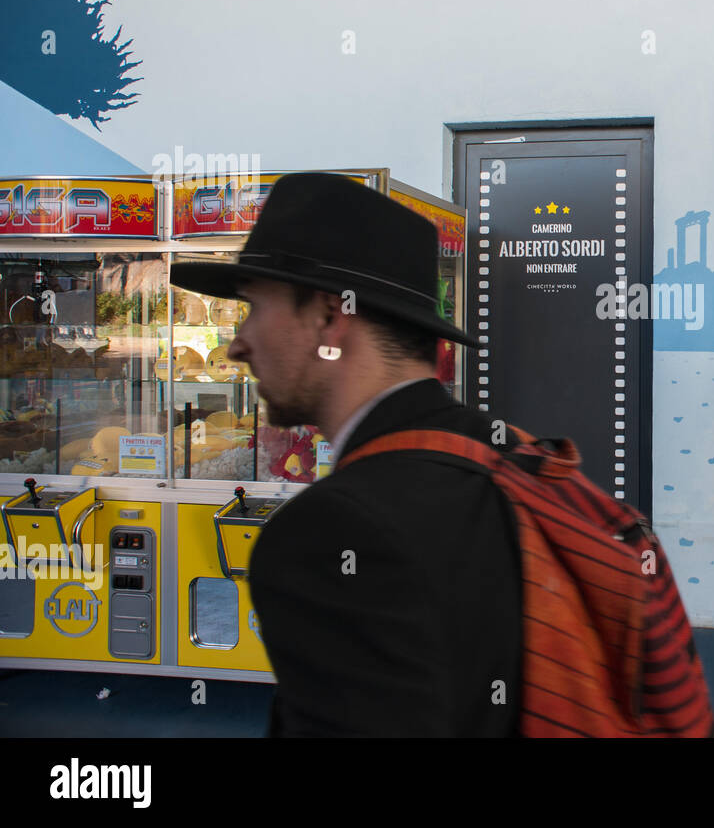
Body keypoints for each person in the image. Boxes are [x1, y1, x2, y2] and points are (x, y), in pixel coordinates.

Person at [170, 172, 522, 736]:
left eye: (254, 307)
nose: (238, 343)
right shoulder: (518, 461)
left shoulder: (328, 532)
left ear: (330, 318)